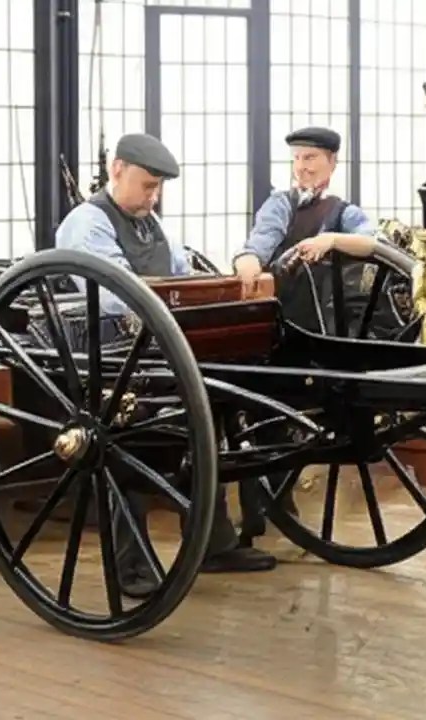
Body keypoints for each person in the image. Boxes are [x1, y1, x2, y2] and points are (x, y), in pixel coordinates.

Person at [55, 132, 278, 599]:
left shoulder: (151, 224)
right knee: (124, 442)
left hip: (157, 348)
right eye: (146, 184)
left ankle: (214, 544)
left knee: (209, 418)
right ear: (117, 171)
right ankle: (131, 566)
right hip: (108, 357)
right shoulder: (87, 223)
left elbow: (180, 275)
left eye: (158, 187)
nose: (152, 196)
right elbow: (118, 293)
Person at [231, 127, 385, 334]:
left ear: (332, 162)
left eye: (310, 158)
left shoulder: (345, 212)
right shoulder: (282, 203)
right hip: (280, 323)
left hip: (328, 331)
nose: (301, 167)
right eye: (297, 158)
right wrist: (248, 258)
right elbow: (263, 238)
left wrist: (331, 240)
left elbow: (374, 245)